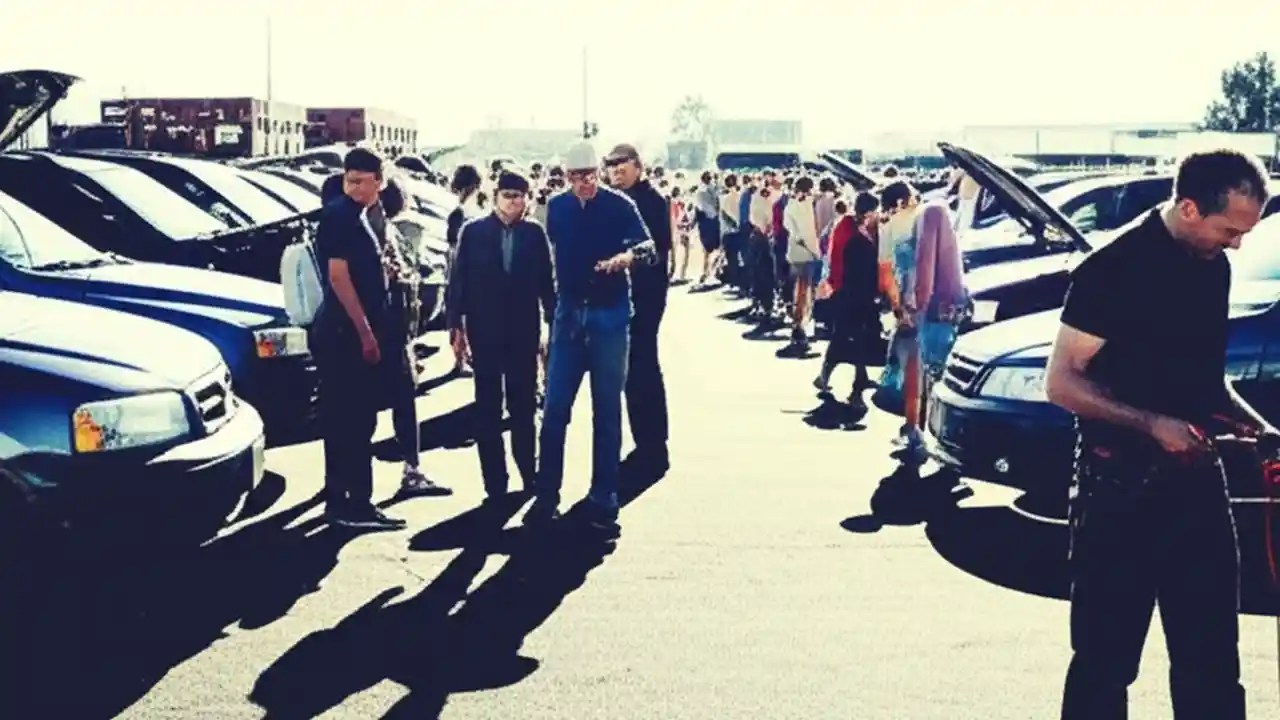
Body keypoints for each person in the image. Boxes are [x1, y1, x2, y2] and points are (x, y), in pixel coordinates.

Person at [1045, 150, 1271, 720]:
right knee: (1104, 662)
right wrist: (1152, 425)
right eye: (1229, 230)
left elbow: (1203, 377)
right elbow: (1062, 383)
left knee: (1212, 661)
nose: (1237, 245)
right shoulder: (1111, 269)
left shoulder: (1212, 264)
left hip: (1196, 487)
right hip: (1115, 491)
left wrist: (1257, 425)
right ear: (1190, 208)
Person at [531, 141, 657, 533]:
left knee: (607, 411)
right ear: (565, 178)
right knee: (554, 411)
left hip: (610, 316)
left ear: (598, 173)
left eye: (588, 175)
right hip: (568, 317)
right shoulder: (557, 208)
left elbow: (649, 247)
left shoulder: (621, 205)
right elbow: (544, 259)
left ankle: (604, 498)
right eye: (575, 177)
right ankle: (546, 495)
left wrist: (627, 258)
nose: (583, 183)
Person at [310, 148, 408, 530]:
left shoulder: (365, 218)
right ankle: (352, 503)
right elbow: (338, 277)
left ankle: (345, 498)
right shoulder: (339, 216)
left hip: (359, 328)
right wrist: (365, 331)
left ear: (379, 183)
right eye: (349, 179)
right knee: (349, 418)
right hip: (342, 333)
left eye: (361, 181)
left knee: (355, 418)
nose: (352, 187)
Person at [447, 170, 556, 502]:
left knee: (524, 410)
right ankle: (495, 483)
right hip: (485, 332)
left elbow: (546, 285)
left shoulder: (535, 233)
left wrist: (555, 327)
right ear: (494, 197)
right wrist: (455, 327)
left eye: (520, 195)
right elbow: (458, 282)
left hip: (524, 332)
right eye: (508, 195)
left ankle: (529, 474)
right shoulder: (474, 231)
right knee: (488, 411)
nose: (515, 201)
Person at [606, 143, 673, 478]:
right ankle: (644, 440)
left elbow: (657, 250)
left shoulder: (653, 200)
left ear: (638, 166)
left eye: (622, 163)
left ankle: (653, 442)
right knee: (629, 371)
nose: (616, 170)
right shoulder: (613, 200)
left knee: (643, 365)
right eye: (611, 164)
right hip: (621, 296)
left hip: (646, 296)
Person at [814, 194, 880, 409]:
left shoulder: (857, 228)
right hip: (849, 292)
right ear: (868, 212)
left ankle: (860, 377)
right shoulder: (850, 230)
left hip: (859, 292)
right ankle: (827, 376)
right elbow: (840, 260)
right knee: (844, 337)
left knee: (860, 337)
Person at [446, 164, 484, 377]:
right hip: (464, 269)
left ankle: (460, 359)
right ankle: (461, 359)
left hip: (455, 268)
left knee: (456, 314)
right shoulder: (467, 212)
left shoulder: (458, 210)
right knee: (461, 314)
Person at [784, 176, 822, 352]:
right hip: (807, 251)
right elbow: (810, 231)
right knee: (805, 290)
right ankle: (800, 325)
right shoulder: (807, 204)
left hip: (794, 250)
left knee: (798, 289)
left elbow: (788, 225)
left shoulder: (791, 203)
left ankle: (797, 323)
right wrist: (816, 251)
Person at [692, 170, 721, 286]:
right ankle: (710, 272)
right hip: (711, 221)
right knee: (715, 248)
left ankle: (708, 272)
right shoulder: (707, 191)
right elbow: (708, 207)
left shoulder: (703, 191)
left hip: (706, 222)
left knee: (707, 250)